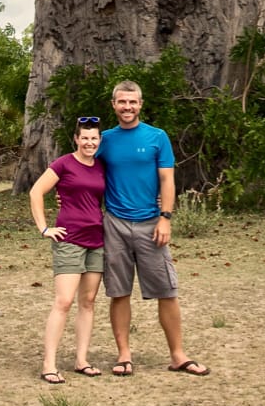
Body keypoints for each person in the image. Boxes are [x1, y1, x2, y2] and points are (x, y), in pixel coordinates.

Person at [96, 80, 209, 377]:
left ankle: (178, 355)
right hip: (115, 224)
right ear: (113, 105)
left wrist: (165, 217)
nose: (127, 107)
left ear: (141, 104)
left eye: (132, 102)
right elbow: (84, 170)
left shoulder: (157, 137)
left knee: (167, 291)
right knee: (118, 292)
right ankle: (123, 355)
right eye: (122, 102)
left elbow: (167, 180)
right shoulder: (104, 140)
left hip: (150, 224)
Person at [28, 116, 107, 384]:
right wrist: (44, 228)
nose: (89, 142)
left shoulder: (102, 166)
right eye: (84, 137)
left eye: (94, 138)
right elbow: (36, 192)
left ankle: (81, 360)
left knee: (88, 302)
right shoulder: (64, 163)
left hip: (97, 239)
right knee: (63, 301)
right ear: (76, 139)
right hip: (69, 239)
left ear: (99, 140)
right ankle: (48, 364)